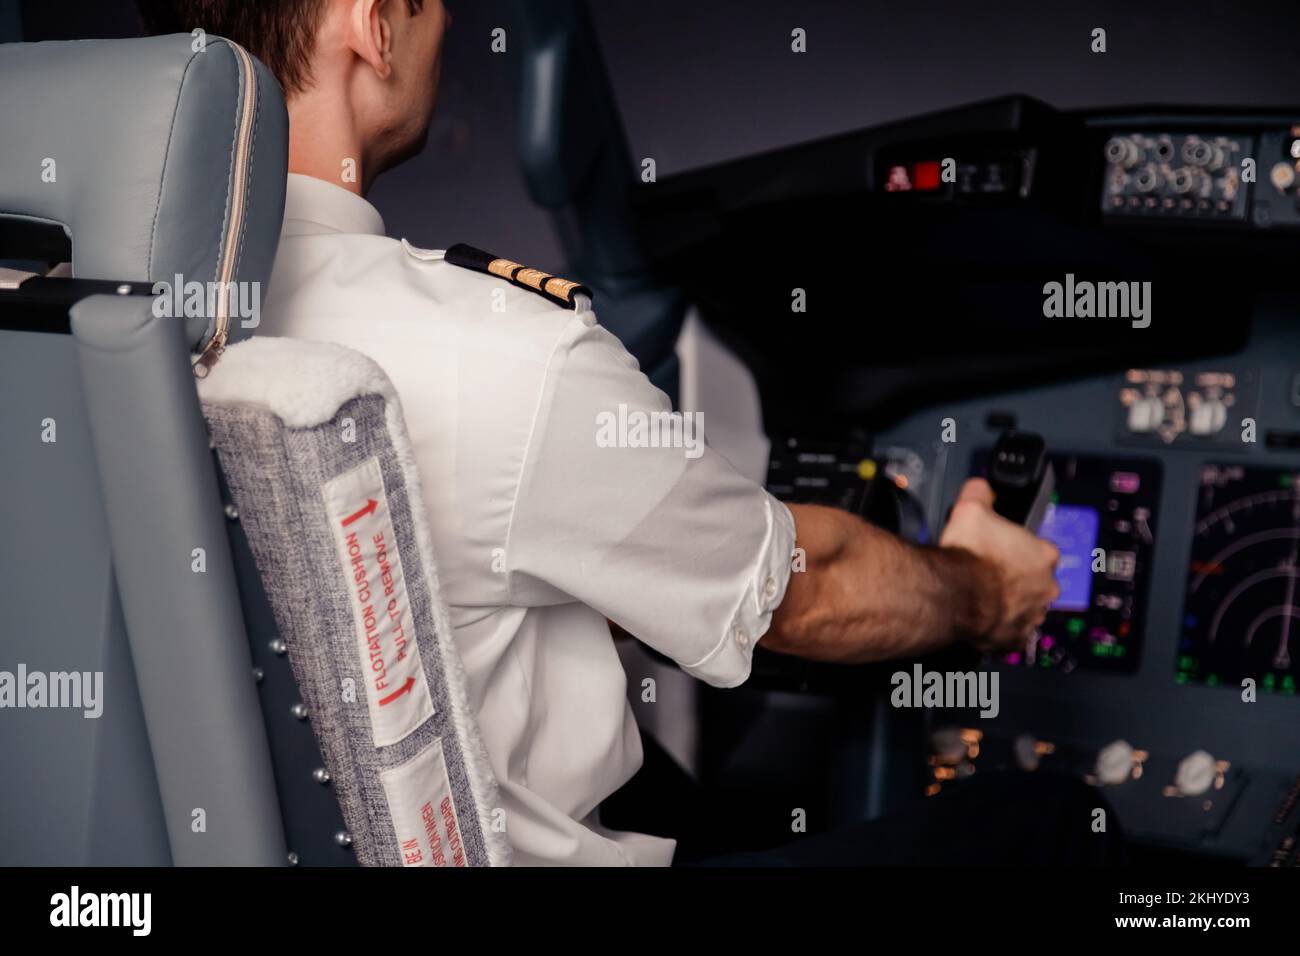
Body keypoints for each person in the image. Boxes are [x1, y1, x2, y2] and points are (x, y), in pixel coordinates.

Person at [135, 0, 1063, 865]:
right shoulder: (504, 354)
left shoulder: (96, 331)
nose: (449, 18)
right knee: (1049, 822)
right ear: (374, 26)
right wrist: (986, 588)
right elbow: (808, 597)